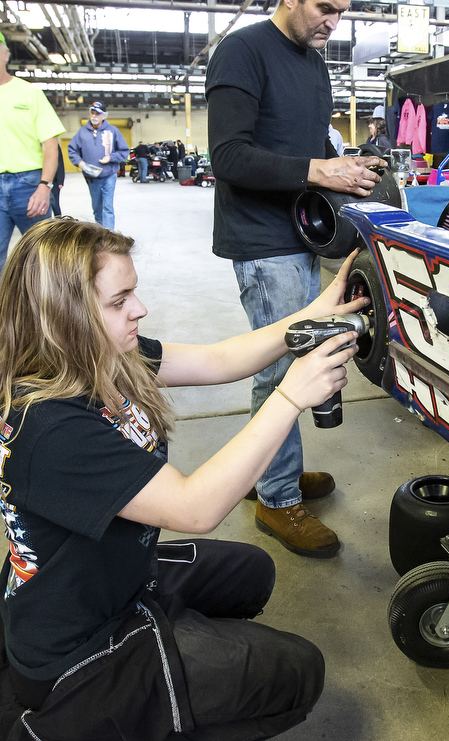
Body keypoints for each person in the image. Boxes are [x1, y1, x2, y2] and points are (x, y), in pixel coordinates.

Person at [0, 218, 368, 737]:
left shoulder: (109, 356)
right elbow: (195, 509)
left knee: (253, 572)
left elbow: (218, 360)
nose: (140, 309)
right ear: (63, 316)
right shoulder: (50, 427)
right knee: (298, 671)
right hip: (76, 640)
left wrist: (311, 314)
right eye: (119, 300)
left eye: (135, 292)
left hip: (113, 578)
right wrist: (289, 396)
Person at [206, 0, 386, 557]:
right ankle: (277, 498)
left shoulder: (313, 64)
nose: (333, 22)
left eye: (343, 11)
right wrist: (316, 170)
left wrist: (345, 165)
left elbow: (307, 152)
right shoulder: (242, 51)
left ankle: (272, 469)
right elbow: (229, 156)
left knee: (297, 358)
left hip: (304, 234)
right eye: (324, 7)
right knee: (283, 367)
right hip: (263, 242)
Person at [0, 30, 64, 263]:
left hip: (28, 186)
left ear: (5, 54)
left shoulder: (29, 93)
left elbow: (50, 144)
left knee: (40, 257)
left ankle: (40, 301)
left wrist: (45, 186)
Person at [67, 101, 130, 230]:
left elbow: (124, 151)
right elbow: (72, 150)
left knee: (107, 207)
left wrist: (111, 158)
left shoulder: (113, 131)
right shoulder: (82, 132)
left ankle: (109, 235)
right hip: (92, 177)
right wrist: (80, 163)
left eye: (98, 114)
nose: (94, 116)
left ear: (104, 116)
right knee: (96, 207)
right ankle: (101, 232)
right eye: (92, 113)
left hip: (109, 174)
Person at [49, 146, 65, 217]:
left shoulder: (55, 146)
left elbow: (60, 163)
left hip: (54, 181)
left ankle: (58, 220)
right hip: (40, 180)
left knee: (55, 203)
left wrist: (60, 181)